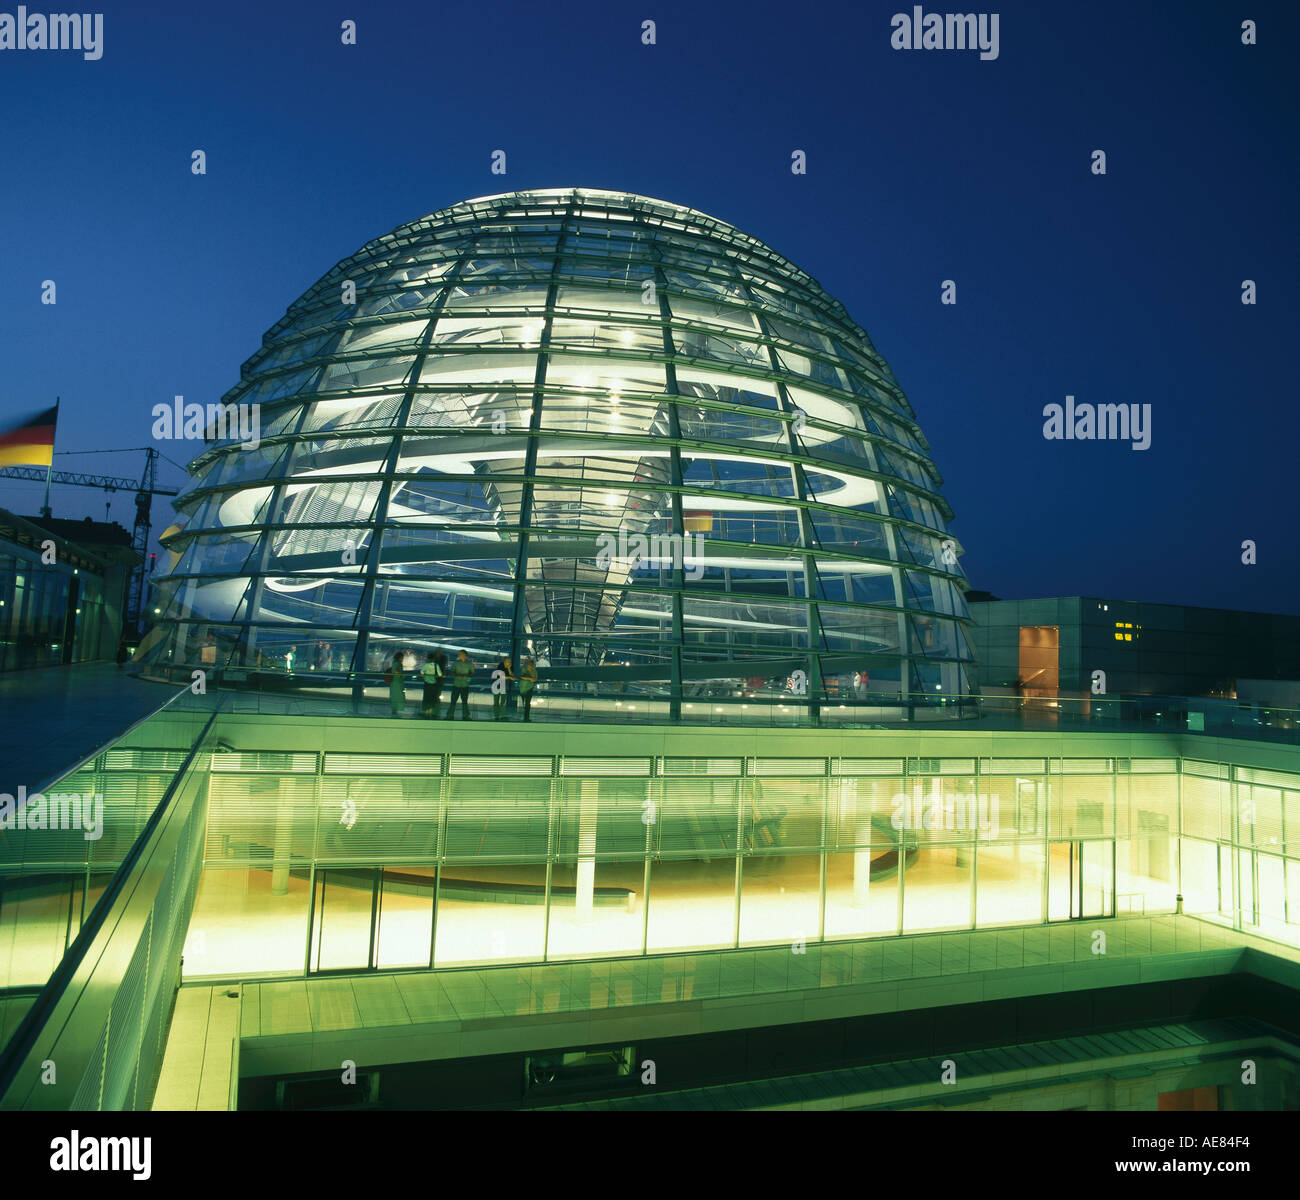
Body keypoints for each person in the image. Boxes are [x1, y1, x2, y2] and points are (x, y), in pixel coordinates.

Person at [447, 650, 473, 719]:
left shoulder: (468, 663)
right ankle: (464, 716)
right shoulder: (457, 663)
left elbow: (472, 673)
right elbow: (452, 672)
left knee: (461, 701)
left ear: (465, 655)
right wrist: (464, 676)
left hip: (461, 685)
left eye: (460, 654)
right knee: (455, 701)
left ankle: (451, 715)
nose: (459, 655)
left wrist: (460, 676)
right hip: (459, 685)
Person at [420, 650, 444, 719]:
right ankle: (430, 712)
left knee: (426, 698)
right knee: (432, 698)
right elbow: (440, 674)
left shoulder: (425, 665)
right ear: (433, 659)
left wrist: (424, 677)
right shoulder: (436, 666)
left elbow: (421, 672)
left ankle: (425, 712)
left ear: (428, 659)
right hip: (434, 684)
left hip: (427, 684)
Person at [493, 656, 515, 720]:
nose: (509, 663)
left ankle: (502, 715)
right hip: (496, 684)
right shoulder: (500, 666)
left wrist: (509, 669)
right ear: (504, 661)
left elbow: (513, 676)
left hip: (504, 685)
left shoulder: (510, 667)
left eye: (510, 662)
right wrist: (509, 677)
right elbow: (501, 676)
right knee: (496, 701)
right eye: (508, 661)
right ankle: (496, 715)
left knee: (503, 701)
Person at [386, 652, 406, 716]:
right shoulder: (398, 664)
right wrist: (401, 675)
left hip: (395, 683)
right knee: (398, 696)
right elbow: (395, 671)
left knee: (394, 696)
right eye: (402, 657)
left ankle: (394, 710)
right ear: (399, 658)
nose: (403, 659)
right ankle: (394, 710)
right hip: (397, 683)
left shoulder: (394, 663)